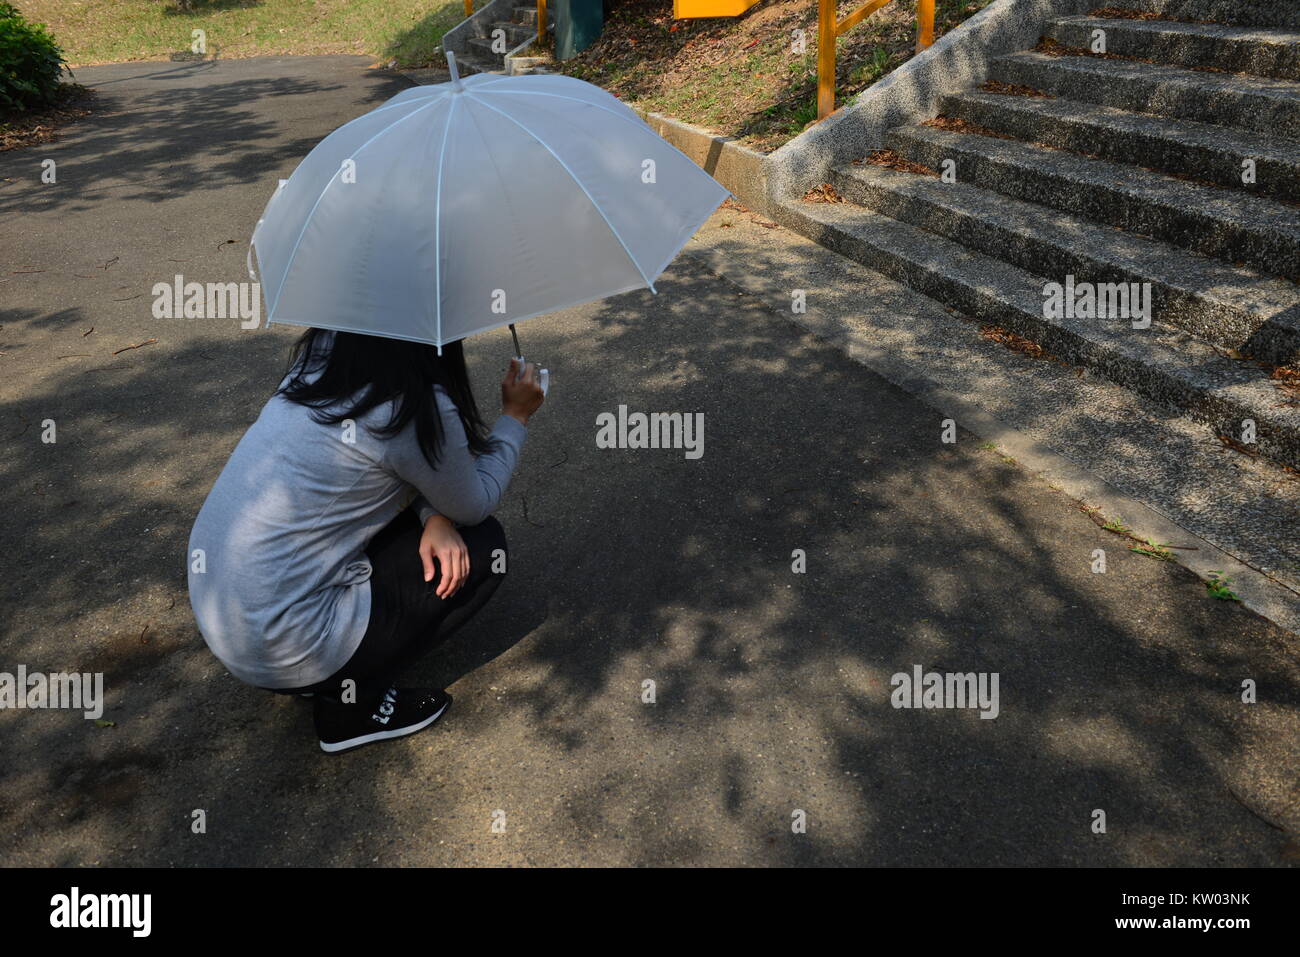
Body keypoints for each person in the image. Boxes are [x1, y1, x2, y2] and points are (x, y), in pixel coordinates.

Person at [187, 329, 545, 753]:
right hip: (286, 644)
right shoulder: (413, 403)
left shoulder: (321, 360)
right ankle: (352, 707)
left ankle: (324, 674)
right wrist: (516, 417)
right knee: (485, 547)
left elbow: (382, 472)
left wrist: (433, 515)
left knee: (440, 532)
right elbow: (474, 502)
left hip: (232, 622)